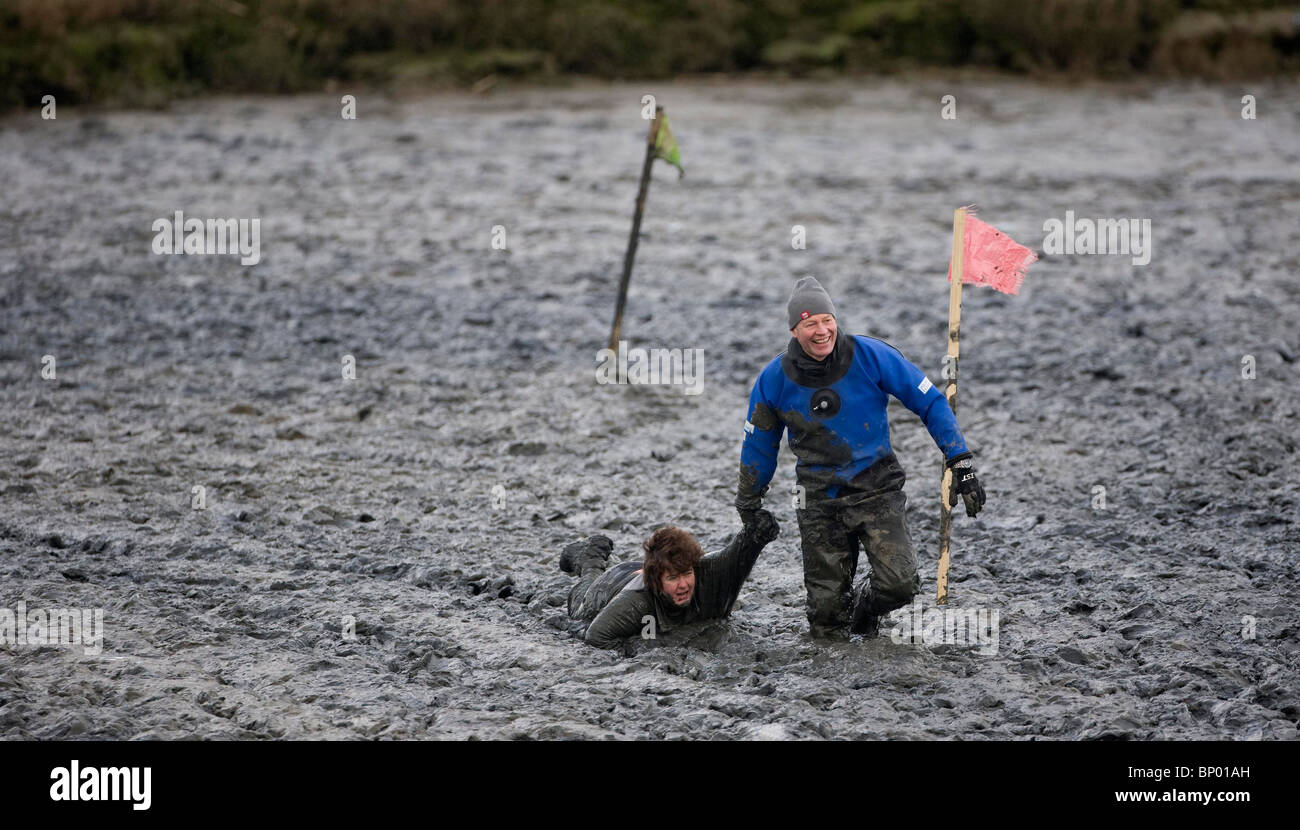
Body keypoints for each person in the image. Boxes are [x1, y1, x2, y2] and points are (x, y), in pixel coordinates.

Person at [735, 276, 986, 640]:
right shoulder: (774, 379)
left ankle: (866, 610)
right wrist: (749, 501)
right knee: (826, 620)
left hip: (876, 487)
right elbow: (758, 444)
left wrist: (959, 461)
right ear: (794, 329)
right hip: (819, 499)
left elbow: (930, 401)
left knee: (899, 585)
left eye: (826, 320)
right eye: (810, 324)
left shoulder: (871, 356)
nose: (821, 331)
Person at [560, 510, 779, 650]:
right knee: (579, 604)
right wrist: (644, 646)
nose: (683, 585)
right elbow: (595, 637)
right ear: (656, 581)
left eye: (687, 574)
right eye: (674, 578)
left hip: (645, 569)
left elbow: (739, 552)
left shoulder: (707, 573)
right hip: (607, 587)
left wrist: (757, 532)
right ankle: (588, 558)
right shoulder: (635, 603)